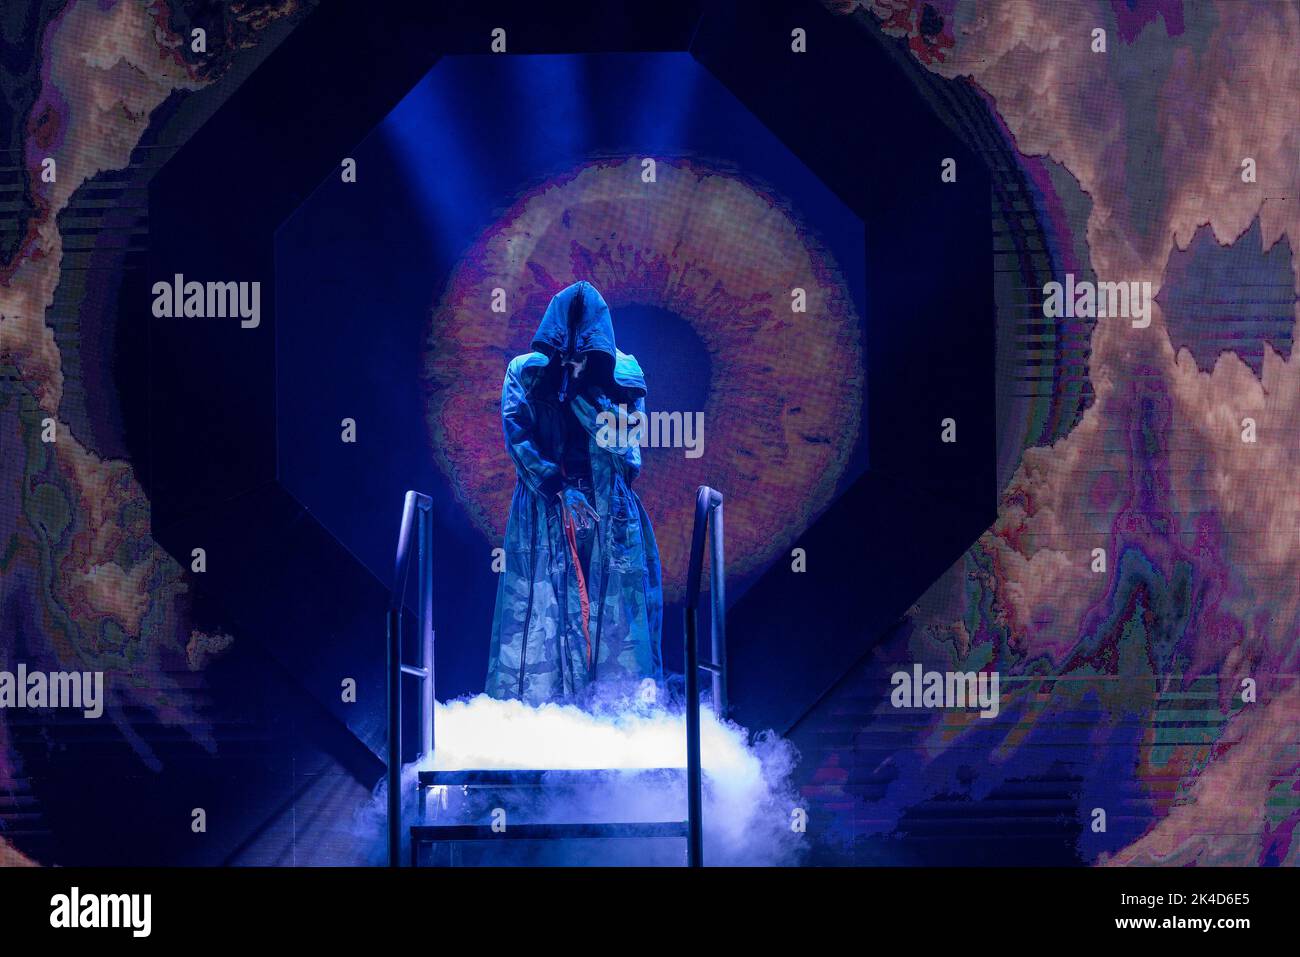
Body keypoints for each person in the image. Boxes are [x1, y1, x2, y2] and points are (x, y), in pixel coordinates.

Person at [486, 281, 663, 704]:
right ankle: (544, 715)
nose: (570, 361)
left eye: (579, 353)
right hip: (545, 508)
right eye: (563, 353)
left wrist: (584, 390)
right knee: (544, 605)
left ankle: (618, 718)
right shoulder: (525, 371)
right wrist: (559, 488)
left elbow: (627, 447)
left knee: (618, 613)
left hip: (609, 509)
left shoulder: (625, 376)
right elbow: (518, 436)